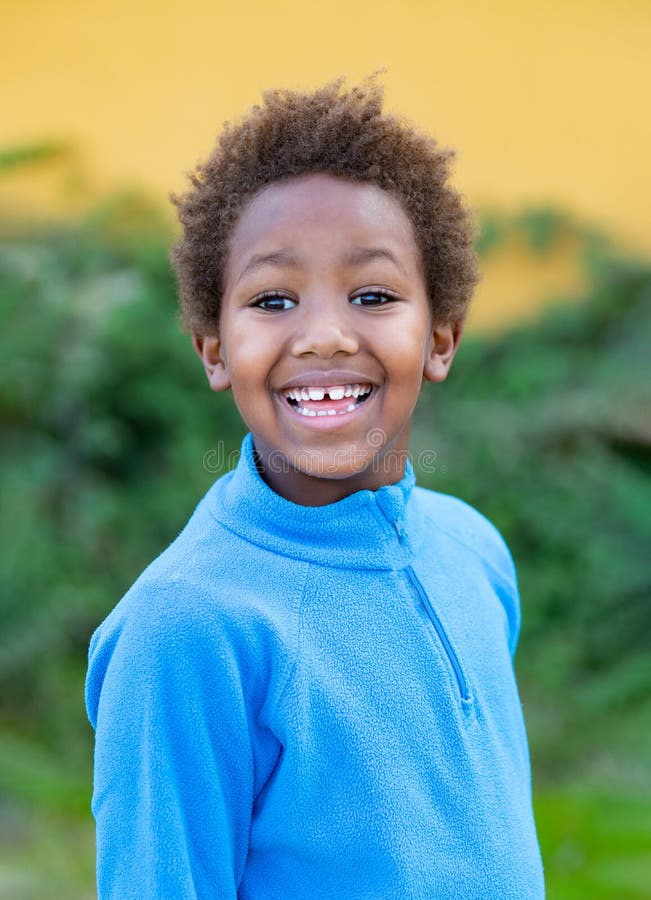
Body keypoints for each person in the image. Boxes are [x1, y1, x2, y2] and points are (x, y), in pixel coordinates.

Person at [85, 78, 545, 898]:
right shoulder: (187, 628)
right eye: (272, 299)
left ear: (440, 337)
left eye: (372, 295)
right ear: (214, 349)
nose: (325, 334)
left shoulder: (474, 551)